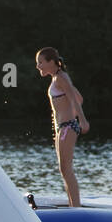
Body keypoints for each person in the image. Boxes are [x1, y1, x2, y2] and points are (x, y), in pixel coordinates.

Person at [36, 47, 89, 207]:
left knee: (66, 168)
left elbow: (74, 99)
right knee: (63, 169)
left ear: (51, 62)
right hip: (62, 128)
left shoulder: (61, 78)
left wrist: (82, 120)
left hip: (67, 127)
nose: (38, 66)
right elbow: (78, 98)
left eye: (40, 62)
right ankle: (72, 205)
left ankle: (76, 207)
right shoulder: (57, 78)